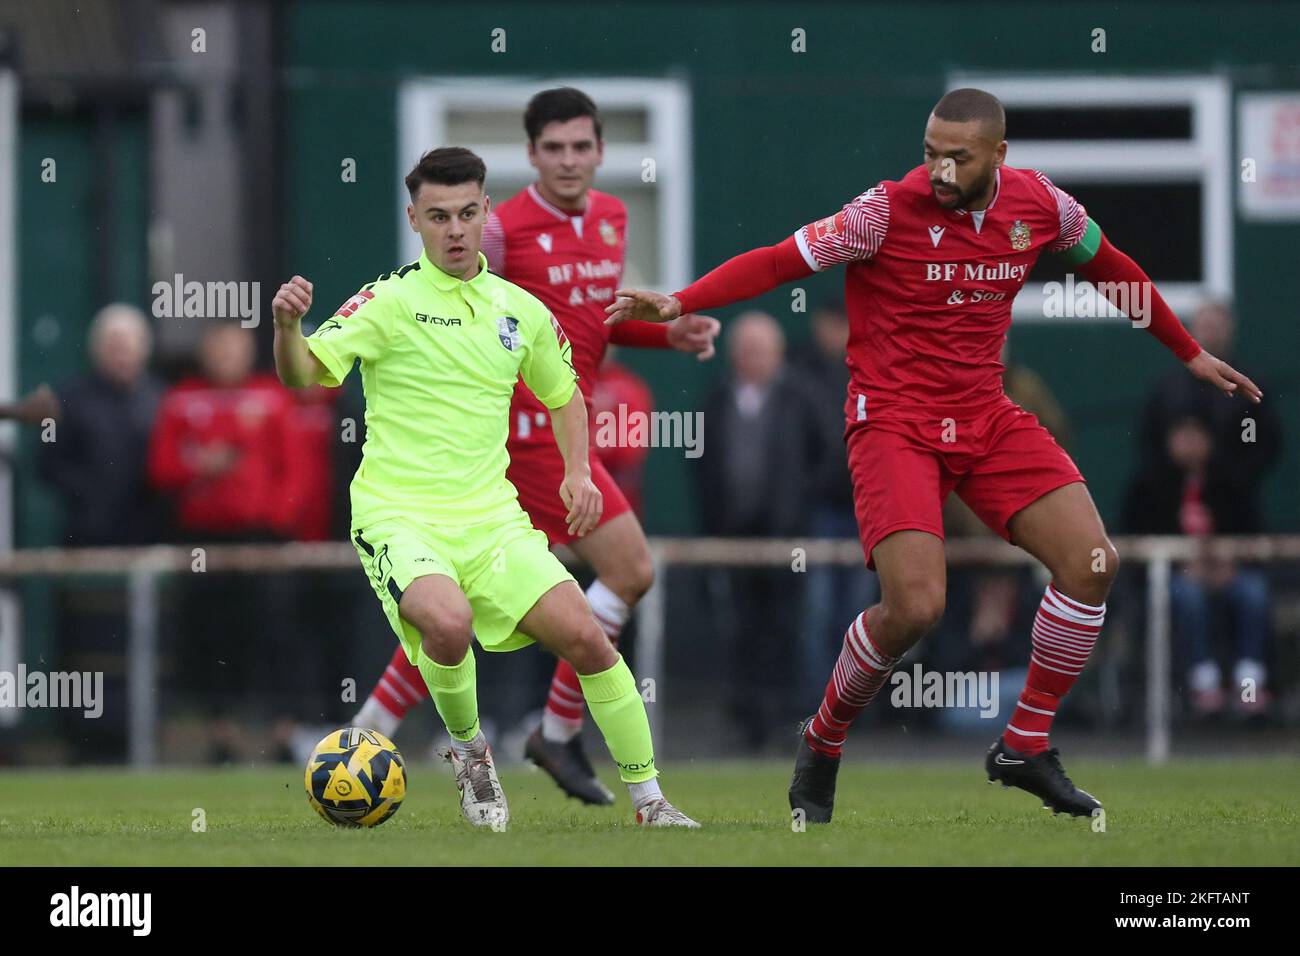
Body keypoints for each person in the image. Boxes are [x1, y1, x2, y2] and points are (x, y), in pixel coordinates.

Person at [607, 88, 1262, 822]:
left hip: (986, 415)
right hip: (892, 423)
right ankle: (823, 739)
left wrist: (1189, 351)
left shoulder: (1042, 205)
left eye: (960, 156)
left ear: (1000, 156)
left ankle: (1023, 743)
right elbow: (779, 262)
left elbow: (1110, 267)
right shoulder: (883, 211)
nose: (941, 170)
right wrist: (681, 298)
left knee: (1093, 563)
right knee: (915, 607)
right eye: (931, 153)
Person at [271, 146, 697, 828]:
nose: (455, 229)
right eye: (438, 216)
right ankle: (474, 762)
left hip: (494, 524)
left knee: (589, 640)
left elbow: (565, 396)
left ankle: (650, 803)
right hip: (399, 517)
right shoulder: (387, 301)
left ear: (485, 212)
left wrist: (578, 471)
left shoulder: (519, 311)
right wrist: (288, 326)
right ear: (415, 219)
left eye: (468, 213)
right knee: (449, 623)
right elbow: (302, 375)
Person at [1124, 301, 1281, 717]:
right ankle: (1203, 687)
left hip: (1233, 561)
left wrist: (1229, 558)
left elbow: (1263, 451)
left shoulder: (1234, 481)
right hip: (1178, 572)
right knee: (1188, 598)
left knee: (1253, 594)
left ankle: (1251, 689)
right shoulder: (1155, 483)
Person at [698, 311, 833, 750]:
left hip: (787, 540)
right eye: (745, 350)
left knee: (789, 626)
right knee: (741, 627)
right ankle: (747, 720)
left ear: (778, 354)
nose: (753, 358)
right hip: (732, 539)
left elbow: (829, 455)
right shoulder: (716, 401)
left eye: (761, 350)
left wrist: (797, 500)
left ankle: (788, 719)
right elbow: (700, 468)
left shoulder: (802, 397)